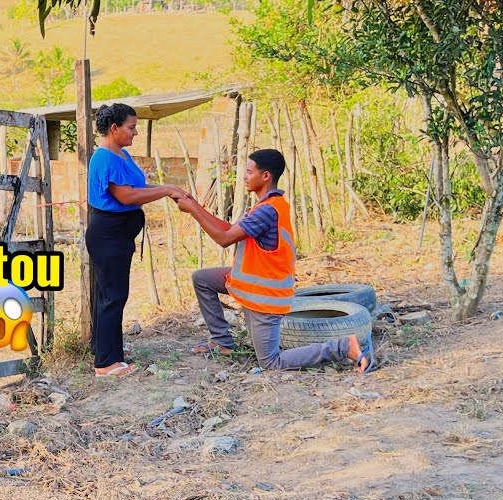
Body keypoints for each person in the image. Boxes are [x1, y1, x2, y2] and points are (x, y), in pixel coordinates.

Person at [176, 148, 376, 373]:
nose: (244, 177)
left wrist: (193, 210)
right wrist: (195, 206)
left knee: (271, 362)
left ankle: (343, 346)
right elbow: (229, 230)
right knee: (202, 279)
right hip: (251, 284)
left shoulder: (267, 211)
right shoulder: (266, 206)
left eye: (249, 172)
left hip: (265, 297)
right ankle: (222, 342)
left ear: (265, 176)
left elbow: (224, 239)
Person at [85, 102, 189, 377]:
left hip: (118, 233)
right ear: (114, 128)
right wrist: (166, 190)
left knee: (109, 292)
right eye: (131, 128)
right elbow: (127, 196)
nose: (135, 133)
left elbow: (138, 188)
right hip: (108, 233)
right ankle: (106, 363)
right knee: (113, 294)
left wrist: (168, 188)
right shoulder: (105, 158)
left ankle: (105, 348)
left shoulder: (121, 155)